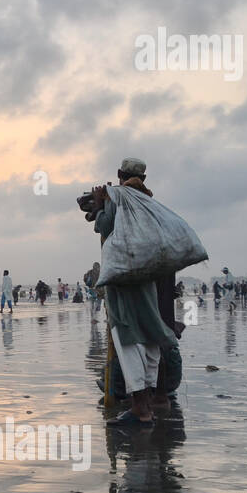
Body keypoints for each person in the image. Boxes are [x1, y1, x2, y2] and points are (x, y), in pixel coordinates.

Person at [87, 157, 180, 425]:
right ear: (144, 179)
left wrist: (101, 205)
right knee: (150, 337)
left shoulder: (119, 198)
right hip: (147, 279)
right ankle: (149, 402)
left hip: (124, 278)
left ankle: (140, 407)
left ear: (119, 173)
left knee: (127, 337)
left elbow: (105, 227)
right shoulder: (149, 202)